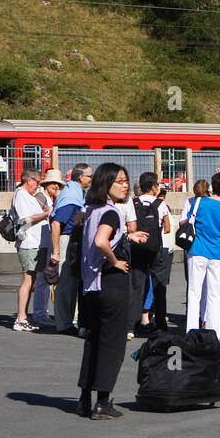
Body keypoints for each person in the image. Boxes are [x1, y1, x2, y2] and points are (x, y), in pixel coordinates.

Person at [77, 163, 134, 420]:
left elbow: (94, 239)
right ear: (106, 184)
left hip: (91, 285)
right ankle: (103, 401)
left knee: (94, 340)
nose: (125, 185)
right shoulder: (111, 213)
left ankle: (85, 397)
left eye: (126, 181)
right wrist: (114, 261)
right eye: (119, 181)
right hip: (111, 282)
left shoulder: (91, 210)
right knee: (112, 343)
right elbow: (102, 241)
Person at [185, 172, 220, 334]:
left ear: (212, 185)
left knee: (194, 293)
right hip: (218, 253)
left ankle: (191, 330)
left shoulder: (200, 202)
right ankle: (213, 332)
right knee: (215, 294)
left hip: (198, 250)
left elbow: (189, 220)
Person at [50, 163, 92, 336]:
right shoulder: (72, 195)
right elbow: (56, 223)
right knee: (66, 284)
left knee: (69, 283)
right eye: (90, 176)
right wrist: (57, 250)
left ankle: (66, 320)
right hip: (67, 240)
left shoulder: (73, 192)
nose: (91, 179)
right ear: (81, 177)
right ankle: (63, 322)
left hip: (71, 239)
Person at [131, 171, 172, 336]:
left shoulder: (133, 203)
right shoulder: (160, 204)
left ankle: (131, 326)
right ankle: (160, 323)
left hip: (137, 248)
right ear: (154, 187)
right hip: (156, 249)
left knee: (136, 286)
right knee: (158, 287)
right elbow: (167, 228)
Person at [11, 168, 50, 332]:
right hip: (29, 243)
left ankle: (23, 317)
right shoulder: (21, 195)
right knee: (27, 280)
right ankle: (21, 318)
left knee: (30, 279)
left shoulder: (26, 195)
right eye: (37, 182)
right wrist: (45, 214)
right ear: (30, 180)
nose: (38, 186)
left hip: (34, 243)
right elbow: (25, 219)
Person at [31, 169, 65, 325]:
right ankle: (39, 313)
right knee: (42, 279)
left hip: (46, 241)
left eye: (58, 185)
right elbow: (35, 217)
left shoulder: (50, 198)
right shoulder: (40, 197)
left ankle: (42, 312)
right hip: (41, 241)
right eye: (54, 184)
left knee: (44, 279)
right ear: (46, 184)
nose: (56, 187)